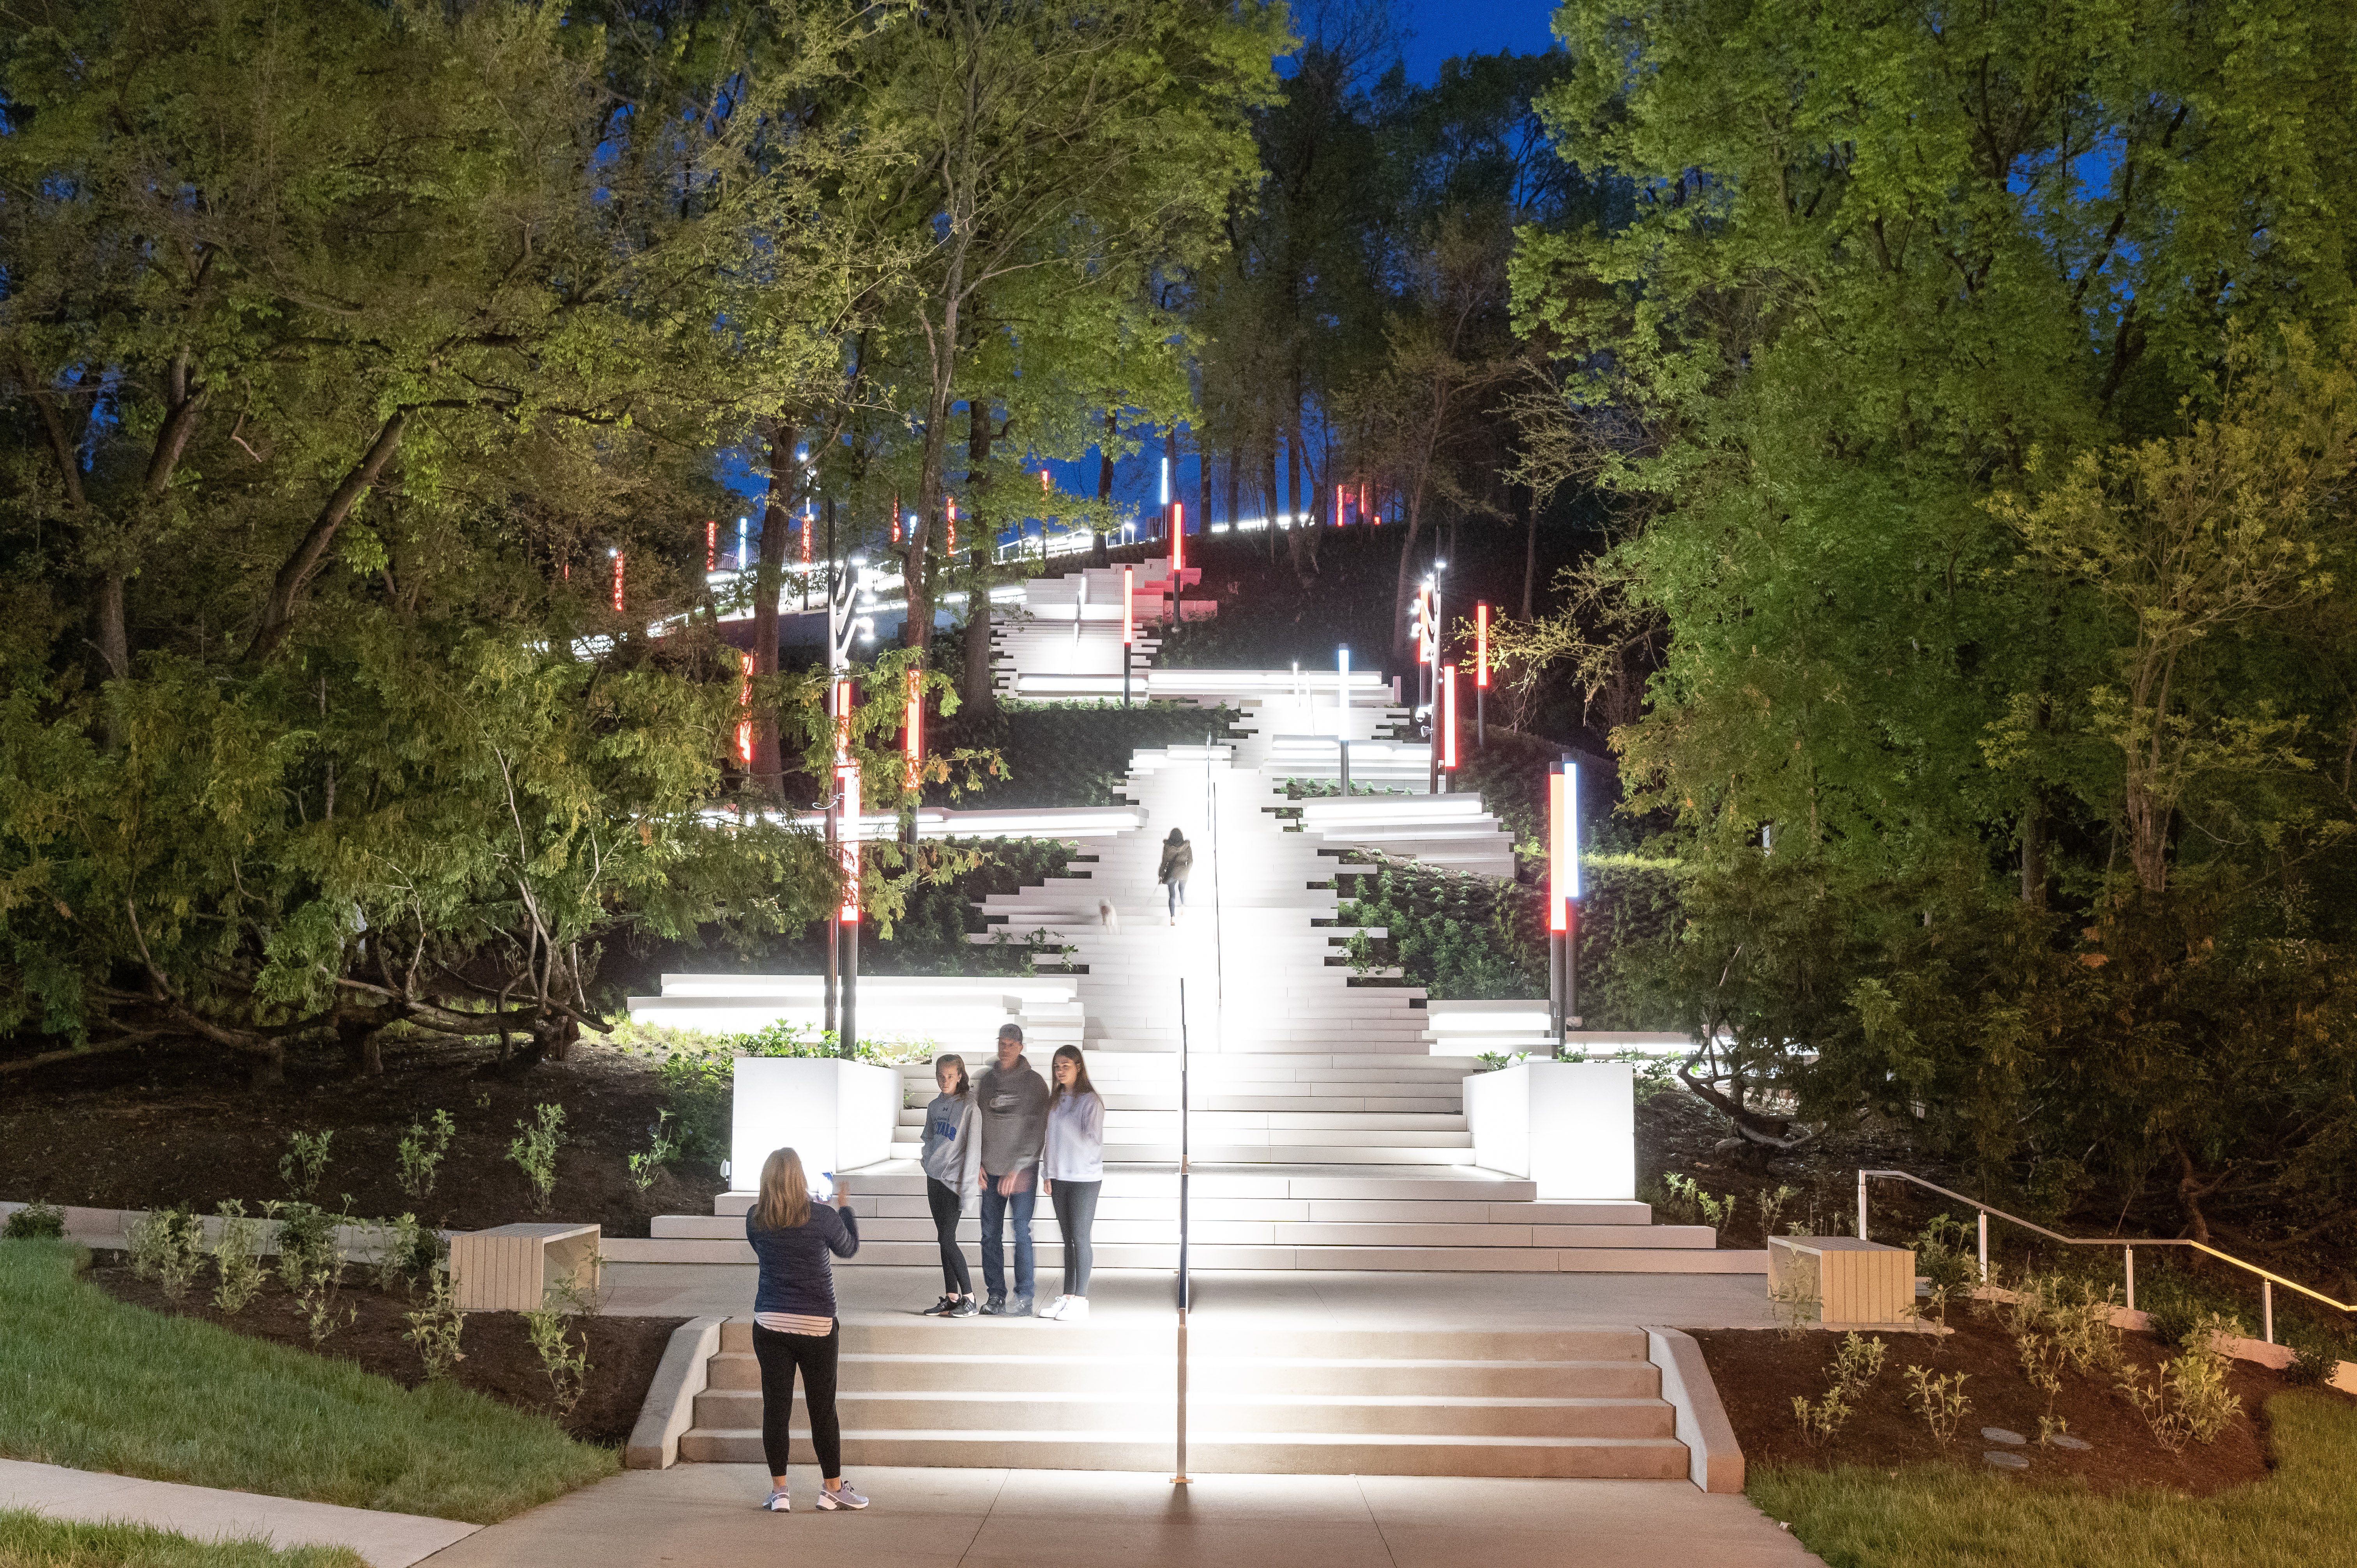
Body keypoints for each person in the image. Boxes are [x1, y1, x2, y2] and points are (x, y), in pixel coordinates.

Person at [745, 1146, 868, 1513]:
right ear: (801, 1179)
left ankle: (780, 1492)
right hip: (816, 1325)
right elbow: (849, 1248)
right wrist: (843, 1208)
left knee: (776, 1409)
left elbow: (763, 1249)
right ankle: (832, 1489)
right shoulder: (823, 1216)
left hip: (770, 1323)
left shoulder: (755, 1218)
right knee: (822, 1409)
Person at [974, 1023, 1049, 1315]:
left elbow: (1038, 1130)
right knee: (990, 1234)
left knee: (1021, 1232)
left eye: (1010, 1045)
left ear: (1020, 1047)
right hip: (991, 1171)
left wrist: (1019, 1168)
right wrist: (976, 1163)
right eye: (1001, 1044)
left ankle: (1025, 1296)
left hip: (1021, 1175)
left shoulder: (1035, 1084)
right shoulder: (987, 1082)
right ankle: (995, 1296)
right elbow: (977, 1124)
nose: (1004, 1050)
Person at [1039, 1044, 1105, 1321]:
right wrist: (1047, 1173)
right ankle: (1068, 1297)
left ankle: (1081, 1299)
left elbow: (1092, 1139)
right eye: (1056, 1066)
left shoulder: (1091, 1101)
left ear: (1079, 1067)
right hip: (1060, 1177)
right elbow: (1050, 1138)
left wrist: (1074, 1128)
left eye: (1066, 1065)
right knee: (1068, 1240)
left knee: (1081, 1237)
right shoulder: (1055, 1101)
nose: (1060, 1071)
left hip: (1084, 1178)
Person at [917, 1053, 982, 1317]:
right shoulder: (934, 1106)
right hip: (934, 1180)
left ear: (960, 1076)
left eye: (950, 1076)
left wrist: (968, 1191)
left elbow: (974, 1152)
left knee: (947, 1238)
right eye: (940, 1076)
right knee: (944, 1240)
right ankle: (953, 1297)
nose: (945, 1081)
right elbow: (928, 1137)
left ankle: (970, 1298)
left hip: (954, 1183)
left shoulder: (970, 1107)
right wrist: (928, 1162)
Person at [1157, 827, 1193, 923]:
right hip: (1183, 873)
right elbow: (1190, 861)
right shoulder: (1187, 846)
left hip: (1172, 873)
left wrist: (1161, 874)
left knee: (1172, 895)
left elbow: (1164, 862)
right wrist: (1187, 871)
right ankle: (1182, 905)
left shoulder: (1168, 847)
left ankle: (1173, 917)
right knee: (1182, 890)